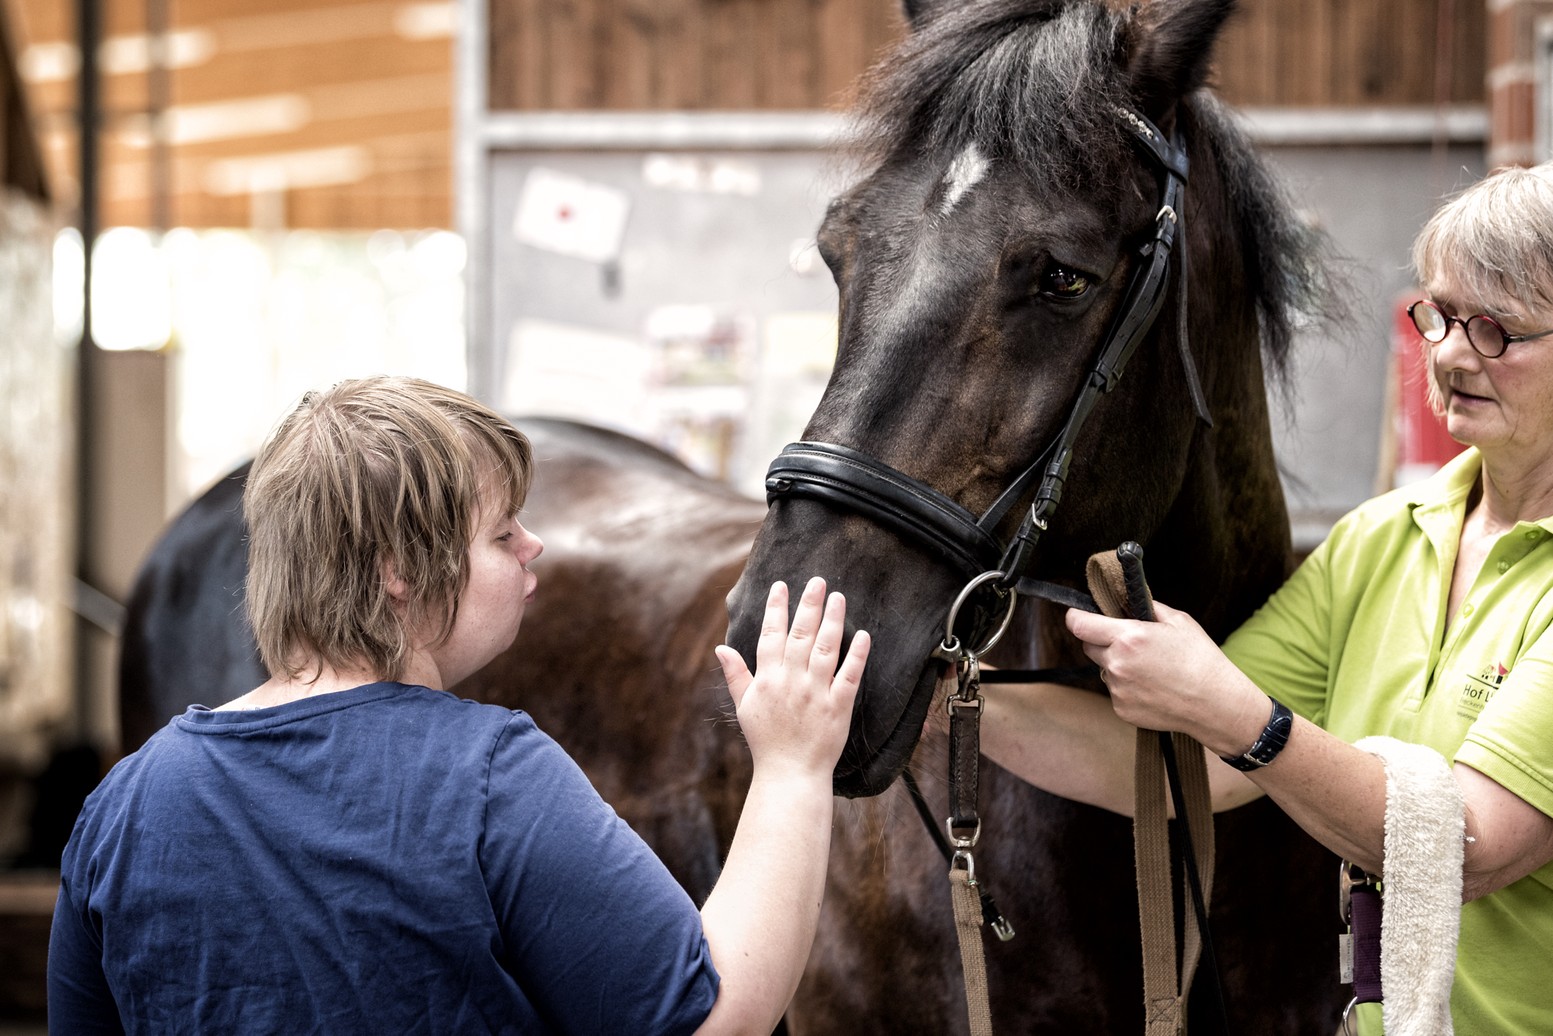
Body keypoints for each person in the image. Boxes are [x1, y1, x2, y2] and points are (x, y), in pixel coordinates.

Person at [47, 376, 872, 1035]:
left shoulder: (120, 807)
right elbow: (711, 1019)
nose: (534, 544)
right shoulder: (488, 777)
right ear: (400, 570)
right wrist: (793, 765)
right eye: (503, 532)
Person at [979, 162, 1553, 1034]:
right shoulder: (1381, 537)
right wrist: (941, 703)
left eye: (1496, 329)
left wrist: (1245, 717)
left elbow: (1465, 847)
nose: (1448, 353)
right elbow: (1187, 764)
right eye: (1436, 316)